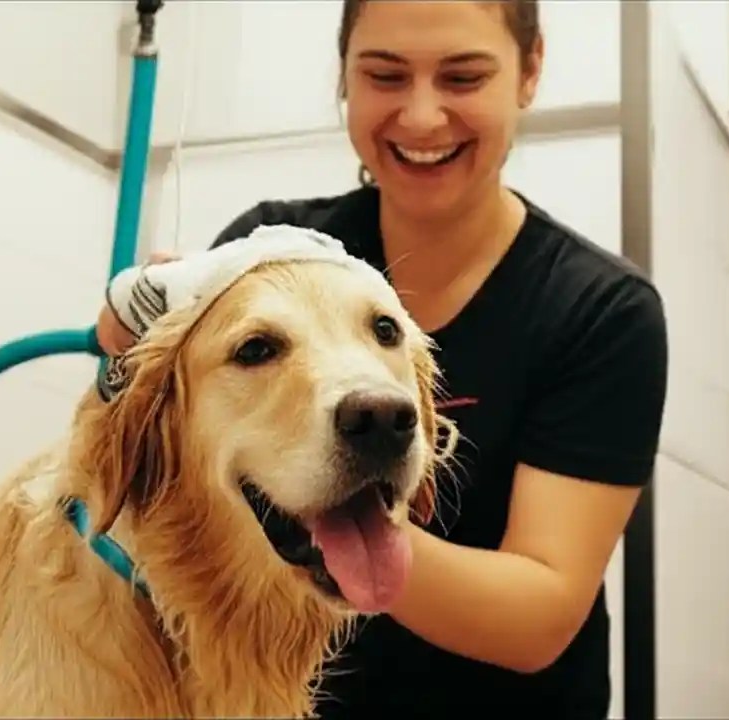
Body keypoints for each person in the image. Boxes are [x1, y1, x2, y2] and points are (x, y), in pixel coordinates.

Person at [95, 0, 669, 716]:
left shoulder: (601, 311)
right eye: (385, 75)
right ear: (345, 77)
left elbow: (539, 615)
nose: (423, 117)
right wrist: (128, 347)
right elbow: (147, 483)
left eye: (463, 78)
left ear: (529, 72)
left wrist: (342, 531)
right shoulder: (263, 250)